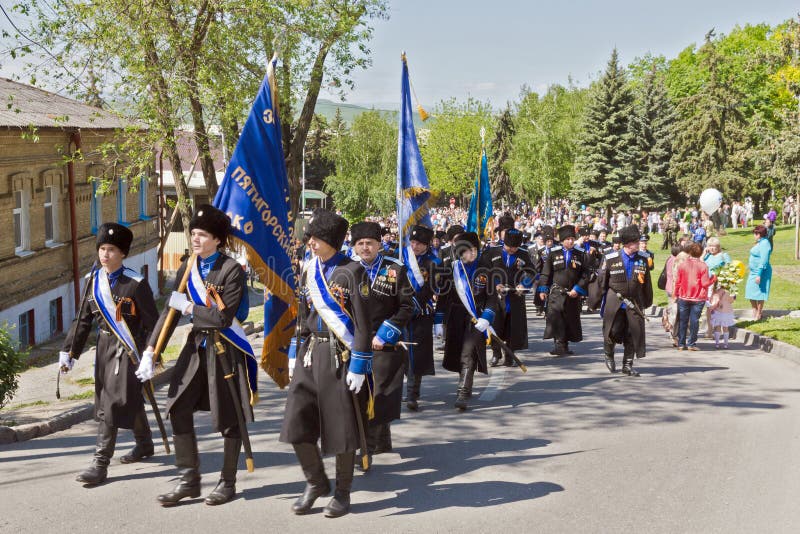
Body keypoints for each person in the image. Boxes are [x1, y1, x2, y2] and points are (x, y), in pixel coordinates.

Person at [138, 204, 257, 506]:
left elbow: (222, 318)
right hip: (196, 350)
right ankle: (189, 480)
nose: (195, 239)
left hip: (225, 350)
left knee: (230, 419)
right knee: (177, 407)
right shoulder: (189, 266)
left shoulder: (231, 270)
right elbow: (169, 312)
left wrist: (191, 308)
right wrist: (152, 351)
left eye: (202, 235)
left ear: (217, 239)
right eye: (193, 233)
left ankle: (227, 482)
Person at [280, 210, 372, 518]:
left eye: (315, 239)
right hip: (310, 352)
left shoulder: (352, 272)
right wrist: (294, 353)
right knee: (296, 422)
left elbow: (362, 324)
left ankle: (343, 492)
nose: (310, 244)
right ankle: (315, 481)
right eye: (310, 239)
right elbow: (303, 316)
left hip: (339, 355)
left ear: (331, 241)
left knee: (341, 427)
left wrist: (359, 365)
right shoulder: (309, 269)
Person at [59, 223, 159, 485]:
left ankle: (100, 463)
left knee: (111, 404)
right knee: (122, 398)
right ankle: (145, 443)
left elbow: (153, 323)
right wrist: (69, 352)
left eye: (111, 249)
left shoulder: (136, 284)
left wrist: (151, 354)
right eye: (102, 248)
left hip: (128, 350)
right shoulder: (94, 281)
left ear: (123, 253)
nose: (105, 254)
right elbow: (82, 320)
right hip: (104, 349)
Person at [350, 221, 414, 456]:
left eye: (370, 243)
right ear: (355, 246)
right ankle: (378, 440)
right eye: (361, 243)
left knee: (380, 393)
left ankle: (372, 444)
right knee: (359, 393)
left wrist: (385, 334)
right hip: (355, 342)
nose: (365, 247)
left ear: (379, 244)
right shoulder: (346, 270)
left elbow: (407, 307)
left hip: (384, 343)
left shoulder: (395, 269)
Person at [439, 232, 499, 411]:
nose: (471, 254)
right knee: (459, 351)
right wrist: (438, 321)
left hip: (476, 316)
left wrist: (487, 317)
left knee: (468, 352)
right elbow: (443, 297)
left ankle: (463, 392)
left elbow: (492, 297)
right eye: (467, 251)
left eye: (474, 250)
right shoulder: (452, 268)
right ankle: (466, 379)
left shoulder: (485, 268)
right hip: (456, 315)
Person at [590, 225, 653, 376]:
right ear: (628, 243)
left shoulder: (643, 259)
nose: (639, 244)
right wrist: (595, 300)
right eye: (636, 242)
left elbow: (647, 282)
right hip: (615, 301)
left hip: (635, 302)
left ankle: (627, 365)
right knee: (612, 330)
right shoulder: (611, 258)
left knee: (633, 333)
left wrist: (647, 301)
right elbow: (601, 281)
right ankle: (609, 354)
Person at [401, 225, 441, 411]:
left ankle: (412, 393)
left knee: (415, 354)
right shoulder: (402, 256)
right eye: (413, 242)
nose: (415, 246)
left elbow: (431, 287)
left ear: (427, 244)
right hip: (399, 312)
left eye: (419, 243)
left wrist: (414, 304)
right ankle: (407, 390)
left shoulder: (434, 262)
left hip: (421, 312)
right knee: (401, 354)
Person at [484, 228, 535, 366]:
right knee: (495, 326)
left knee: (513, 327)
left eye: (515, 247)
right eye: (509, 247)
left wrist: (523, 285)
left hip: (514, 296)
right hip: (495, 297)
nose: (512, 250)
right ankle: (496, 353)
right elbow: (483, 271)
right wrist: (495, 285)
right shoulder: (492, 252)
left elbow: (531, 272)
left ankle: (509, 354)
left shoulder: (523, 254)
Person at [537, 225, 590, 356]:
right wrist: (543, 289)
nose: (571, 241)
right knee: (556, 318)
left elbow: (586, 274)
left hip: (573, 293)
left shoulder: (581, 254)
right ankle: (559, 345)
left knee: (569, 319)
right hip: (556, 292)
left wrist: (578, 289)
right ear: (562, 240)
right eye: (568, 239)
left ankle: (564, 345)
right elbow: (546, 273)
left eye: (572, 239)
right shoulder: (553, 253)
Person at [674, 242, 717, 351]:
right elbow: (705, 283)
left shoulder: (682, 265)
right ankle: (691, 343)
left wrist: (676, 293)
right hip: (698, 297)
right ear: (701, 253)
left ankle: (681, 343)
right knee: (694, 320)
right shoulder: (703, 266)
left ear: (689, 252)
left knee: (683, 320)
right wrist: (713, 279)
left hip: (684, 296)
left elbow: (678, 282)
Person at [745, 225, 773, 321]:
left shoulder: (765, 243)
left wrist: (759, 274)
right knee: (750, 290)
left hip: (761, 272)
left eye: (756, 233)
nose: (754, 235)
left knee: (760, 292)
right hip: (753, 271)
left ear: (760, 234)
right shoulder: (759, 242)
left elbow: (764, 260)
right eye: (754, 233)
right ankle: (755, 310)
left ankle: (759, 313)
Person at [708, 281, 736, 349]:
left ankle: (717, 343)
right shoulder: (730, 291)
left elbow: (713, 301)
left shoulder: (716, 291)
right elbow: (731, 301)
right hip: (727, 311)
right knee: (725, 328)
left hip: (718, 311)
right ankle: (726, 344)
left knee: (717, 327)